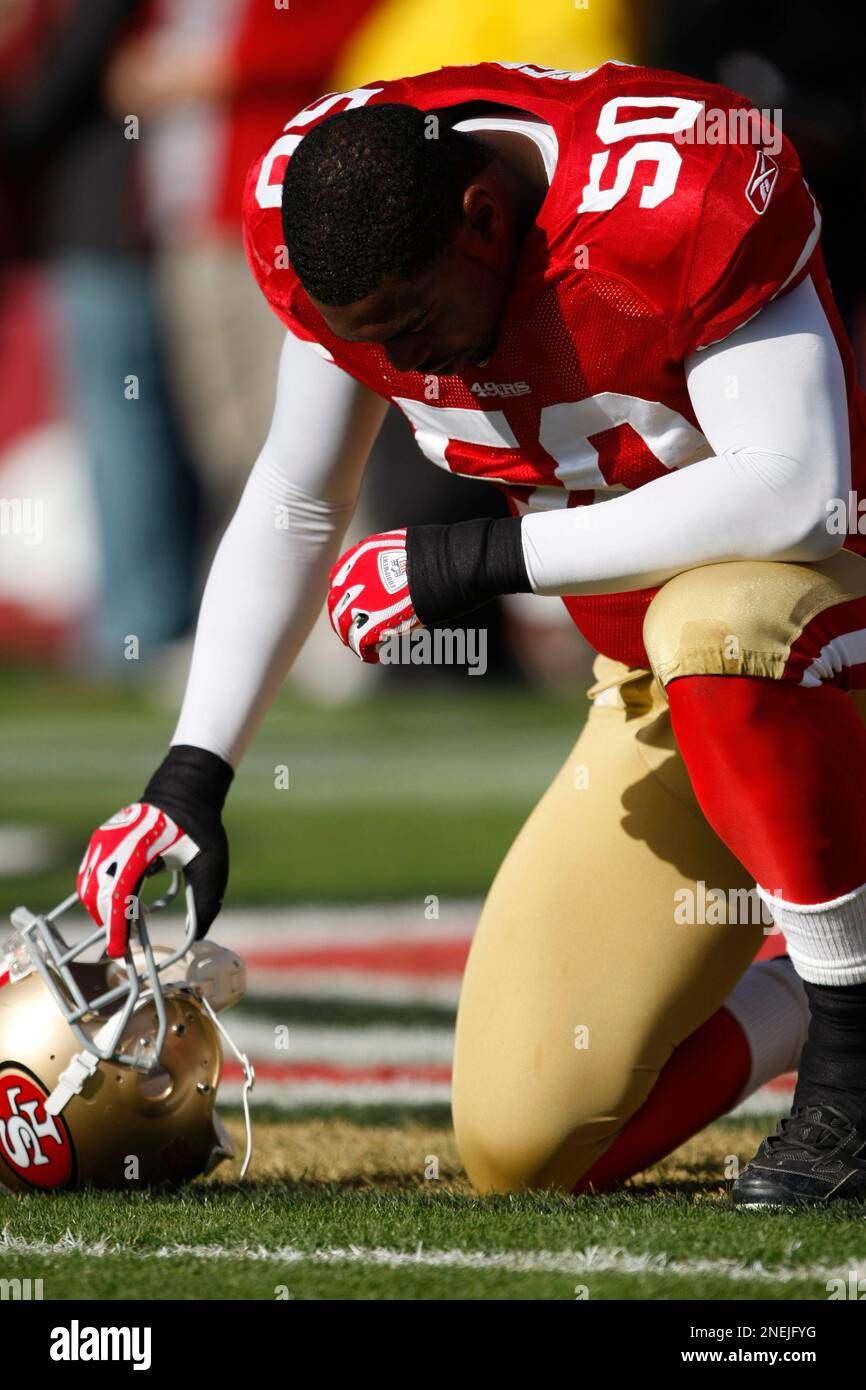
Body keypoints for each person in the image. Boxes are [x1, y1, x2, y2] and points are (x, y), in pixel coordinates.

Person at [78, 60, 866, 1205]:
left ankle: (850, 1056)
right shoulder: (334, 216)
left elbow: (794, 491)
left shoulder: (667, 187)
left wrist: (470, 560)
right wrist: (192, 774)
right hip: (660, 677)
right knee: (530, 1144)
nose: (400, 365)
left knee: (715, 614)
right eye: (371, 343)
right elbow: (300, 499)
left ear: (485, 217)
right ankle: (816, 975)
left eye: (409, 324)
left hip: (817, 600)